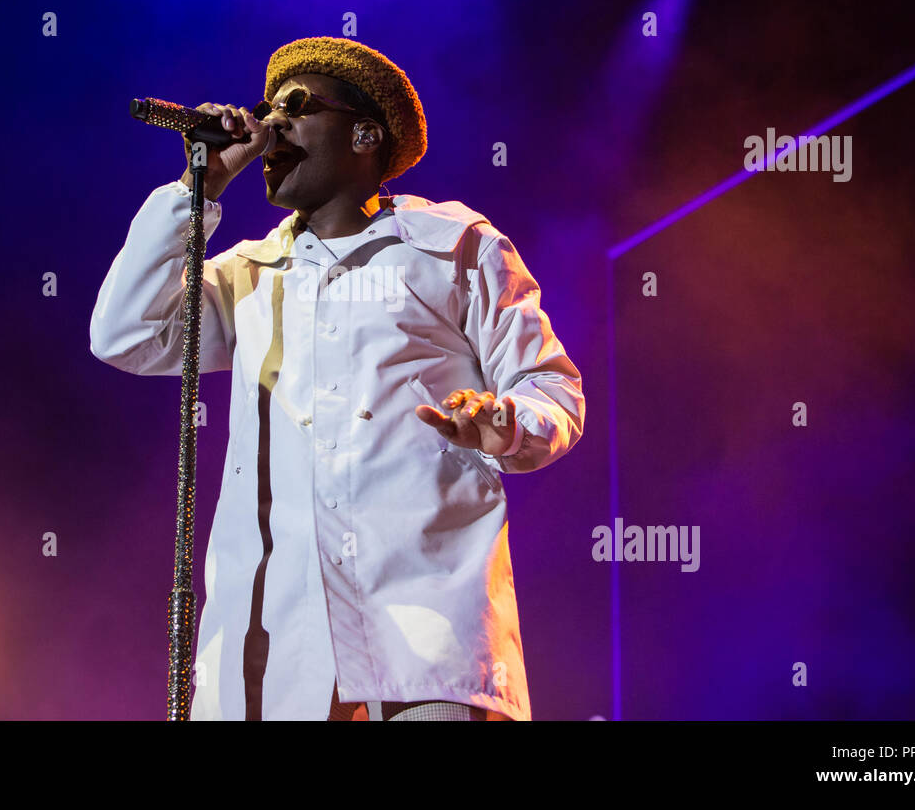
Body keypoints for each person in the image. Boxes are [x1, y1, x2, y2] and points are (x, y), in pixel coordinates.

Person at [89, 36, 585, 720]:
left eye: (296, 106)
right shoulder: (247, 273)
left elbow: (551, 388)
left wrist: (502, 425)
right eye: (269, 109)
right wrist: (194, 190)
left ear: (364, 134)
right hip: (270, 646)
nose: (272, 125)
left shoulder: (454, 246)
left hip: (421, 640)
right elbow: (125, 334)